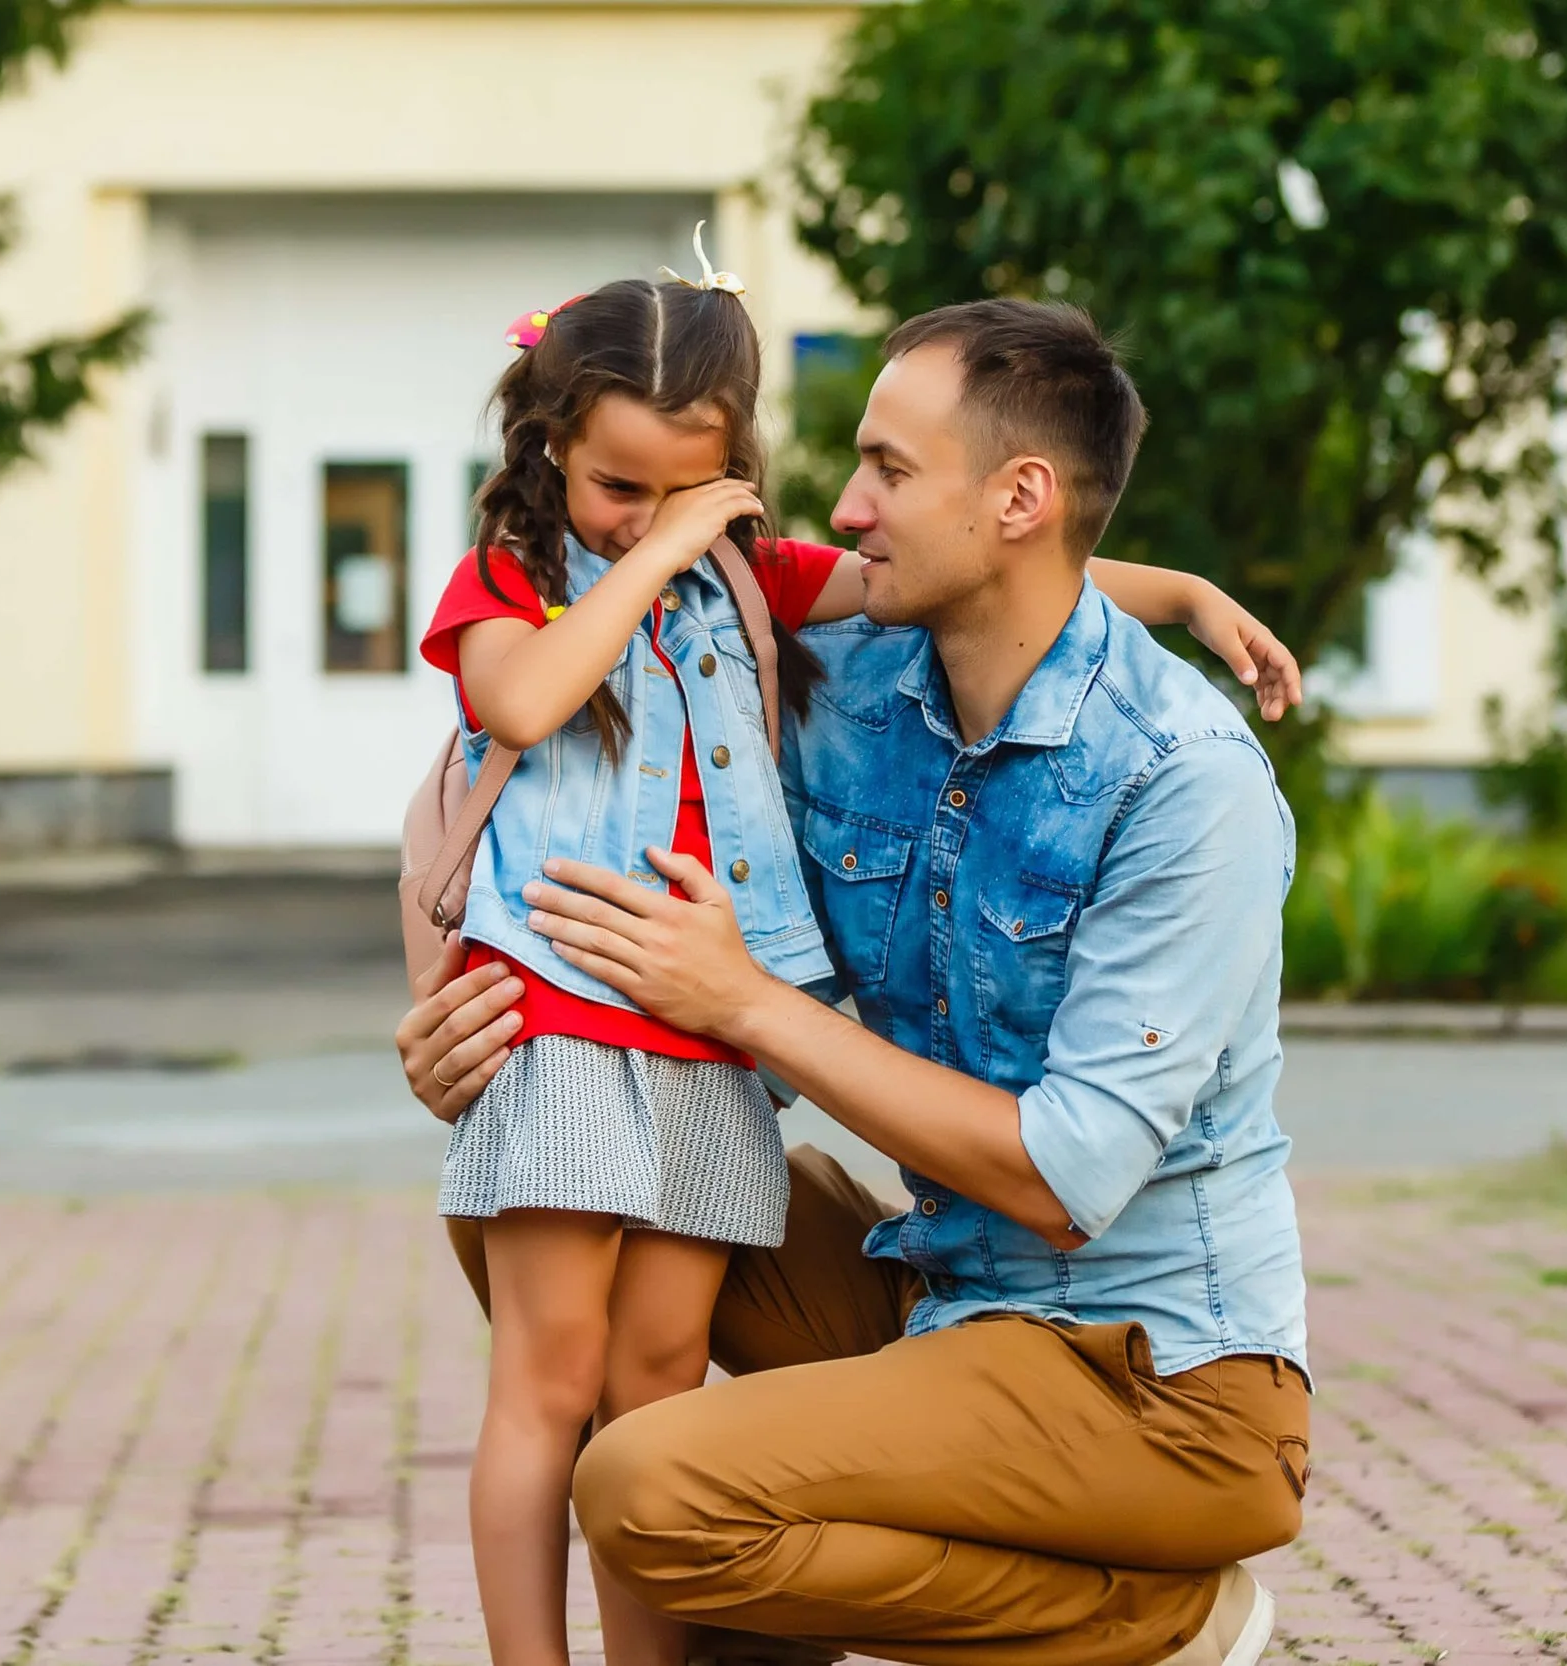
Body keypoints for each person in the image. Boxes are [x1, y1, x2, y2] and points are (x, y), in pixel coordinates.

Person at [423, 270, 1305, 1666]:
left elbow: (1068, 1175)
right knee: (539, 1197)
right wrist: (455, 1013)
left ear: (1017, 501)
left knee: (652, 1489)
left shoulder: (1183, 783)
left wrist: (748, 1002)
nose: (839, 503)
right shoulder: (856, 694)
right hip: (940, 1282)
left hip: (1150, 1371)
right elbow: (518, 763)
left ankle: (1159, 1611)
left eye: (888, 468)